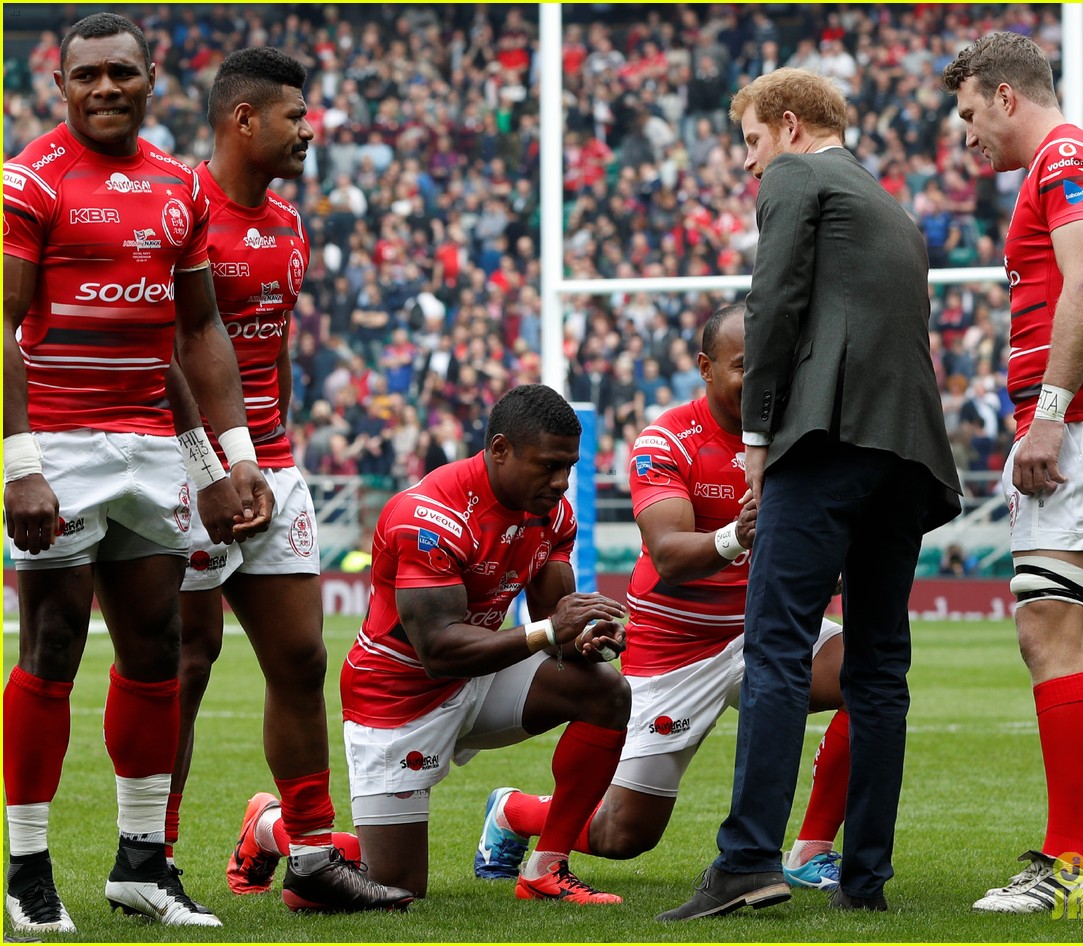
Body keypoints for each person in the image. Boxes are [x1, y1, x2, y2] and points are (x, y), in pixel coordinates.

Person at [660, 68, 961, 921]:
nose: (751, 165)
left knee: (779, 648)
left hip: (825, 439)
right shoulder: (890, 204)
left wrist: (755, 441)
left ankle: (748, 861)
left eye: (752, 141)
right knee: (879, 668)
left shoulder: (799, 175)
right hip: (905, 454)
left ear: (788, 126)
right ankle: (864, 879)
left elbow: (773, 303)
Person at [2, 13, 273, 934]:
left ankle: (140, 868)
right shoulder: (30, 179)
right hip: (62, 450)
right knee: (51, 647)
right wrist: (21, 466)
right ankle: (27, 874)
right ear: (62, 83)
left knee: (157, 649)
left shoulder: (178, 187)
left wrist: (228, 462)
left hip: (155, 448)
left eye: (122, 72)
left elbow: (197, 333)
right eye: (88, 76)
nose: (105, 88)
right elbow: (2, 325)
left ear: (152, 77)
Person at [473, 304, 851, 891]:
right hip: (676, 649)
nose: (761, 382)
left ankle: (810, 849)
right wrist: (736, 535)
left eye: (770, 366)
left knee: (869, 673)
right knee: (624, 836)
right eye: (743, 368)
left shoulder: (798, 434)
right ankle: (515, 811)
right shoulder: (669, 438)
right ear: (704, 367)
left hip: (768, 628)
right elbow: (671, 556)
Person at [164, 47, 412, 915]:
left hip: (272, 467)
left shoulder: (291, 226)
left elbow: (277, 353)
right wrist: (213, 467)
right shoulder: (181, 213)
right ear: (244, 119)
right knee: (187, 664)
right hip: (191, 474)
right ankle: (152, 855)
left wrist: (277, 456)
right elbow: (165, 356)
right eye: (295, 117)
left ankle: (309, 855)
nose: (309, 131)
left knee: (302, 658)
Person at [229, 384, 634, 905]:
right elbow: (438, 649)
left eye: (569, 467)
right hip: (399, 693)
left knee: (605, 690)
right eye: (549, 466)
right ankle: (270, 826)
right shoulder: (428, 515)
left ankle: (545, 868)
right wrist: (552, 631)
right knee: (394, 886)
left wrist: (591, 636)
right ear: (501, 449)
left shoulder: (550, 512)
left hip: (481, 673)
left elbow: (554, 625)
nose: (561, 482)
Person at [943, 32, 1083, 913]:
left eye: (968, 116)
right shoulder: (1074, 163)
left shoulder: (1067, 159)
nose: (966, 139)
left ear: (1004, 95)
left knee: (1046, 632)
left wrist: (1049, 415)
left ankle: (1065, 863)